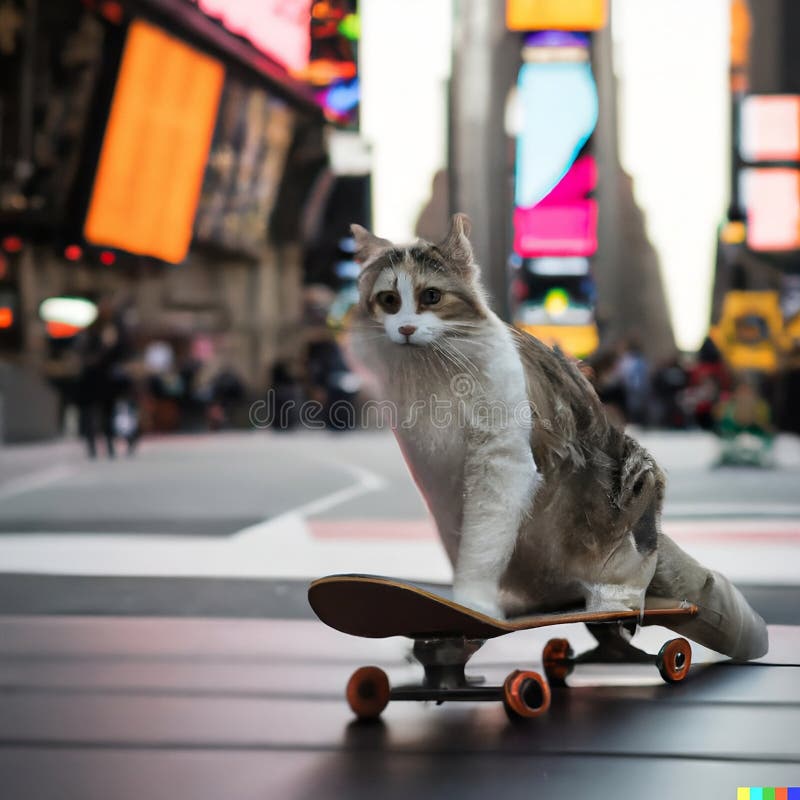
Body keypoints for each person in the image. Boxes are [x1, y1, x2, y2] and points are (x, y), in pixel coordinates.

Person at [76, 298, 129, 458]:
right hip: (92, 377)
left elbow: (122, 352)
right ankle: (91, 445)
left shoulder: (115, 329)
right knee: (91, 412)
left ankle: (109, 443)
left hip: (107, 378)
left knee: (108, 412)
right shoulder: (91, 331)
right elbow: (84, 352)